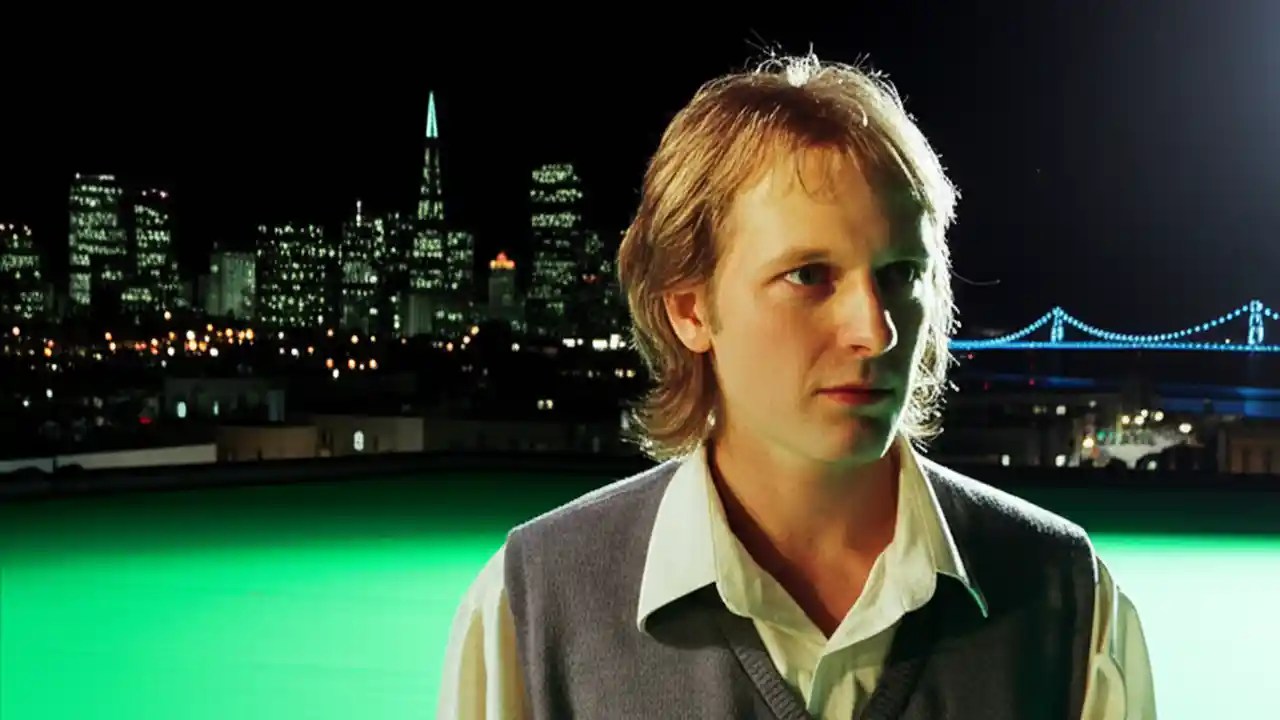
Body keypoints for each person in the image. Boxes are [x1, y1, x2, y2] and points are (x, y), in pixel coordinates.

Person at [438, 53, 1155, 719]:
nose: (875, 332)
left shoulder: (1073, 607)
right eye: (809, 275)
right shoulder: (526, 611)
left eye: (901, 275)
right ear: (689, 308)